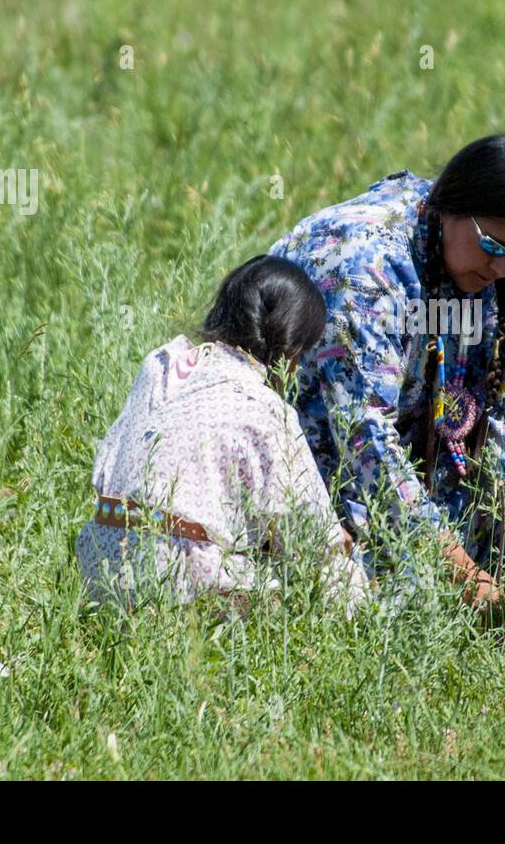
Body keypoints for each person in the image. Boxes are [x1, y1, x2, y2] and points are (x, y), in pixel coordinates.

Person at [268, 135, 505, 607]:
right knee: (382, 589)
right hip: (324, 449)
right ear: (451, 208)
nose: (502, 267)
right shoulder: (364, 263)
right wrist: (462, 573)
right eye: (492, 246)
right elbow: (364, 438)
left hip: (434, 434)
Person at [76, 255, 368, 614]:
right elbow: (307, 535)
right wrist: (337, 546)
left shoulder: (162, 364)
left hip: (99, 563)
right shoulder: (261, 404)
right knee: (337, 580)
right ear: (290, 349)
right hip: (180, 575)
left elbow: (108, 467)